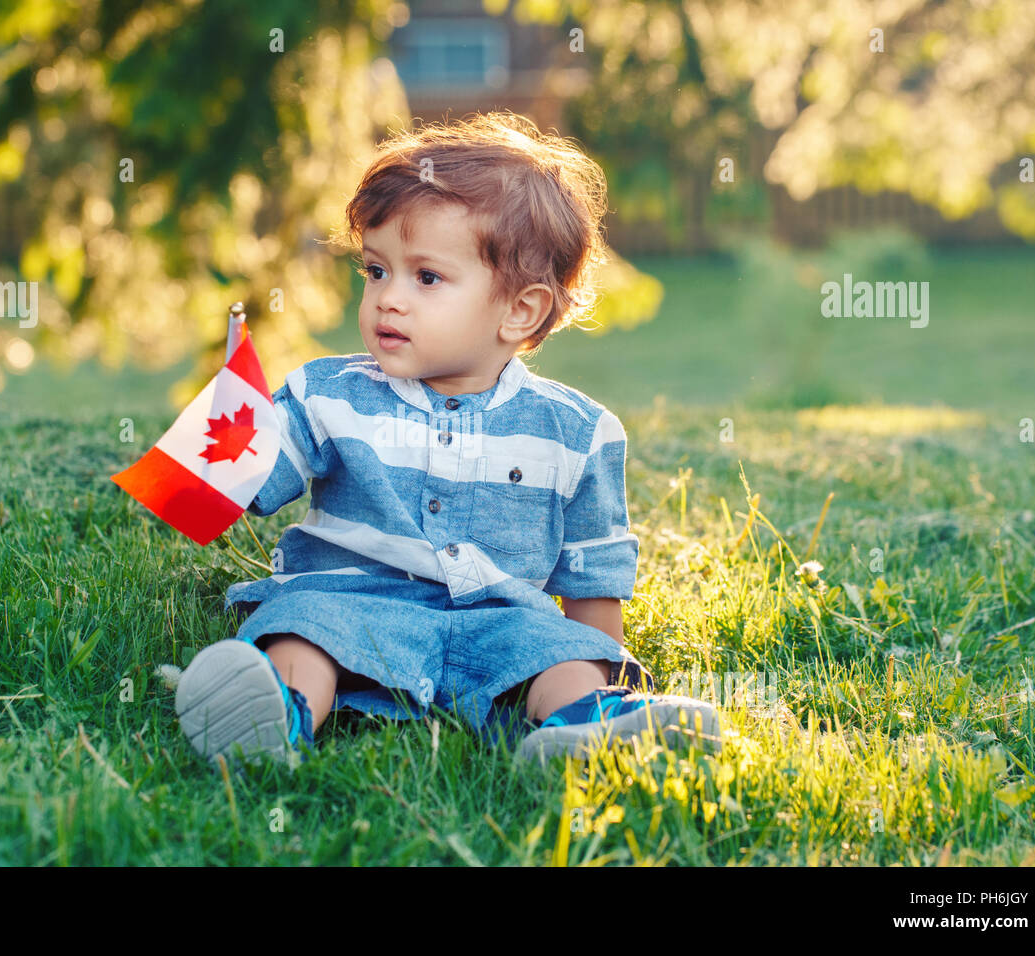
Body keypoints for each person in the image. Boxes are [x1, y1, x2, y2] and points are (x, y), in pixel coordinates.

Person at [176, 112, 721, 765]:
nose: (389, 300)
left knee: (561, 654)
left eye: (426, 278)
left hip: (498, 625)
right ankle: (275, 716)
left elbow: (589, 579)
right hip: (351, 605)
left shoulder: (576, 432)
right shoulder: (328, 394)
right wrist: (230, 426)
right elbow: (231, 477)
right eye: (376, 272)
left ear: (520, 309)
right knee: (301, 631)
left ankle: (586, 724)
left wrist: (599, 659)